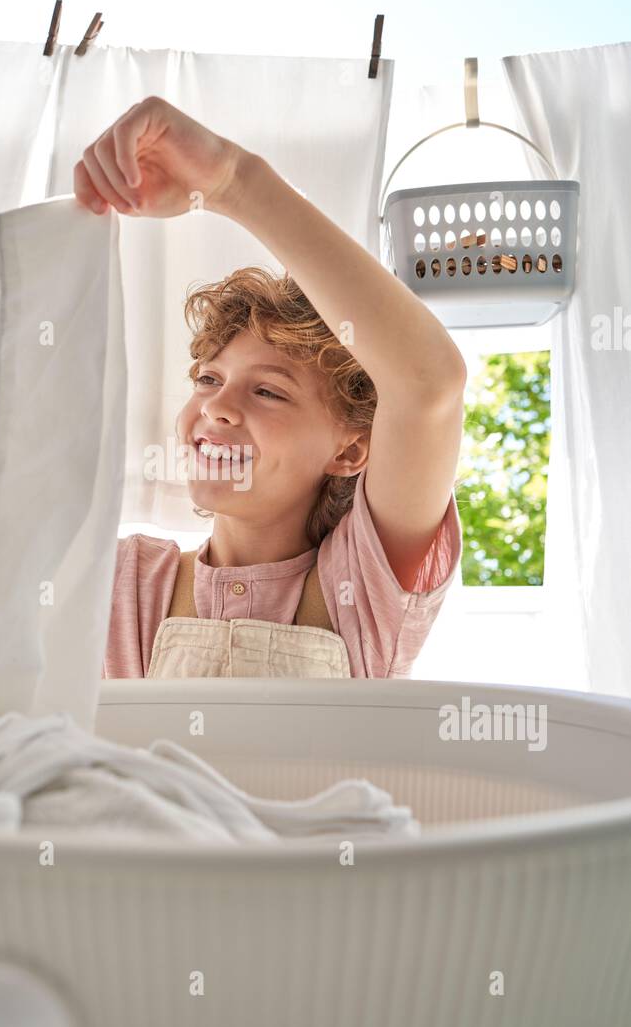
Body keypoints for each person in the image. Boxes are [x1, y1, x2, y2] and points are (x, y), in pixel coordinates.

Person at [74, 96, 467, 680]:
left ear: (351, 449)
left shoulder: (361, 588)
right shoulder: (125, 583)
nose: (217, 408)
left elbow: (430, 385)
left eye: (269, 392)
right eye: (208, 379)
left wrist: (233, 180)